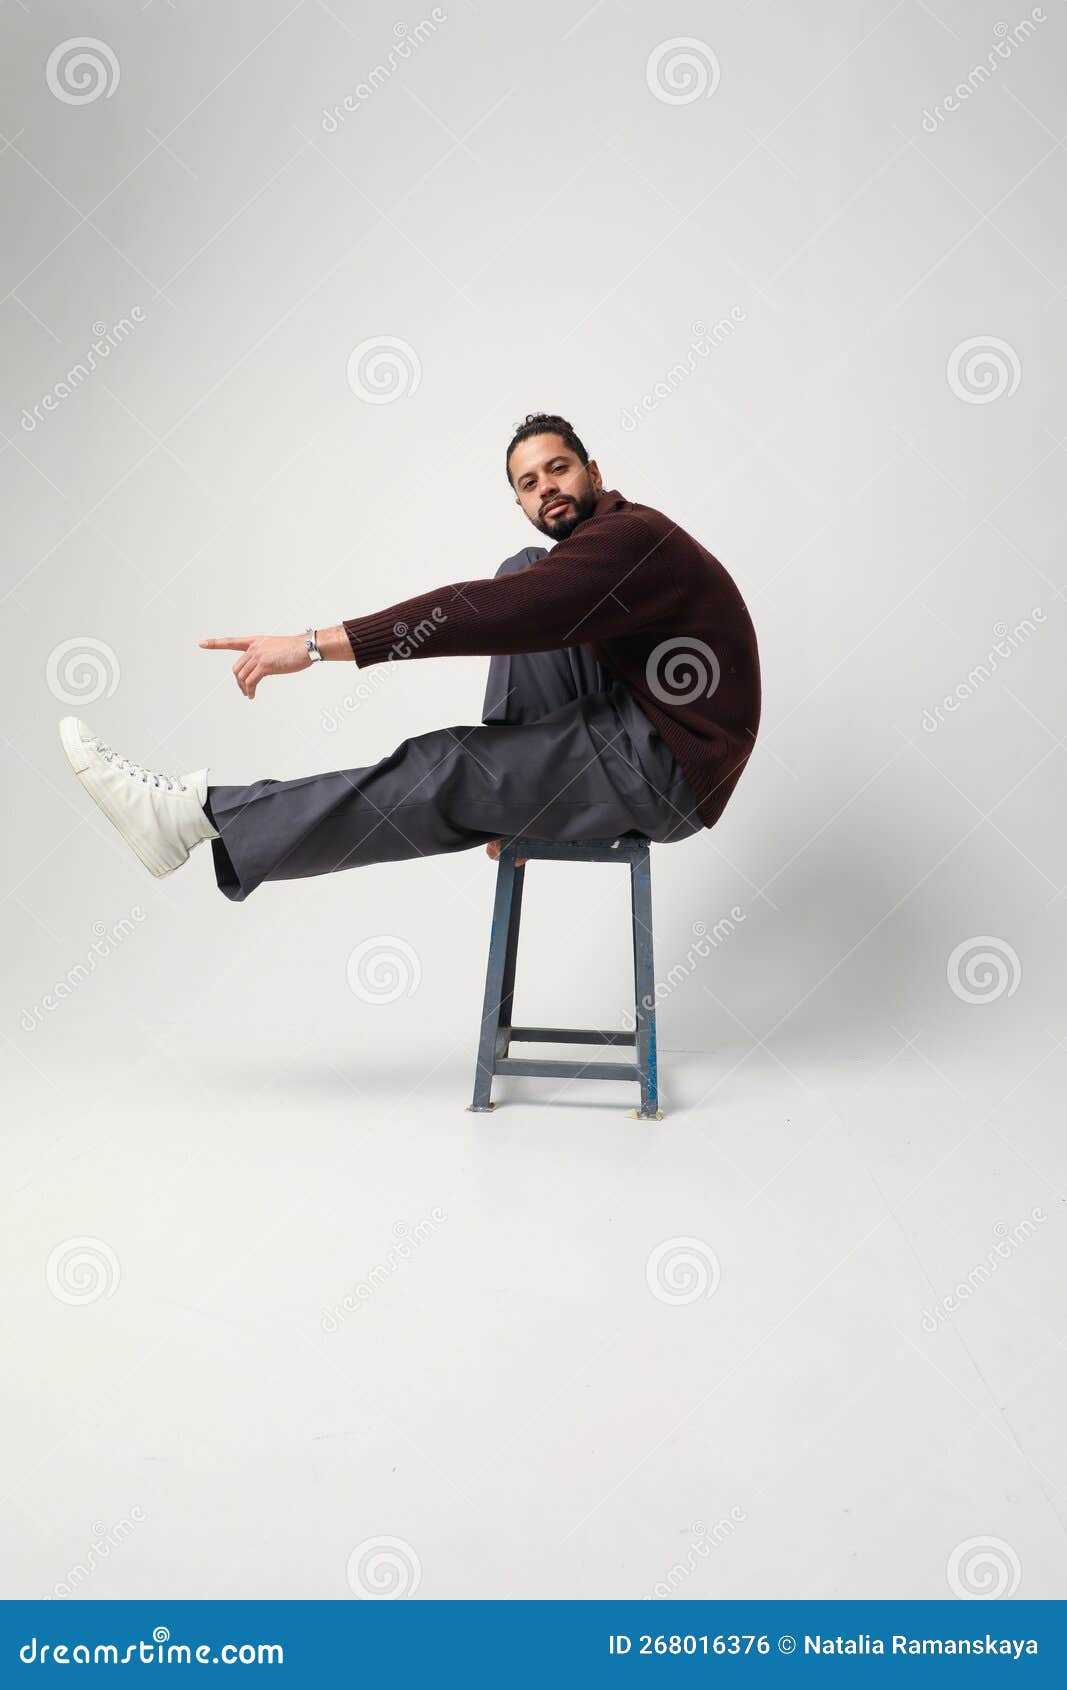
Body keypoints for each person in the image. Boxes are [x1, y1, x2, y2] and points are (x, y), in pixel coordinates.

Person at [58, 413, 761, 901]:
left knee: (445, 763)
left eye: (559, 468)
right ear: (519, 500)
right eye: (528, 483)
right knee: (524, 568)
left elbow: (488, 612)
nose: (546, 487)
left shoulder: (629, 539)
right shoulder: (599, 549)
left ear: (593, 472)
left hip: (667, 767)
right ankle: (513, 795)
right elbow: (520, 599)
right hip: (637, 721)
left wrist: (314, 645)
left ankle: (197, 816)